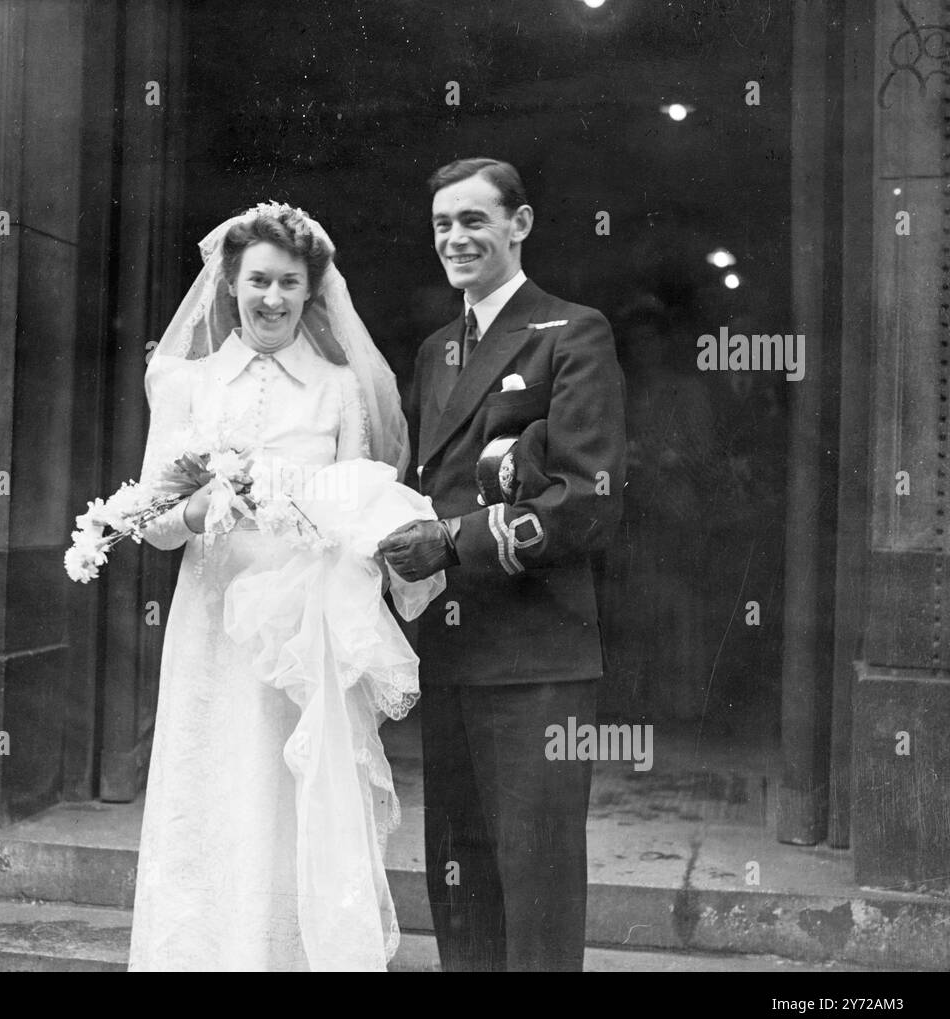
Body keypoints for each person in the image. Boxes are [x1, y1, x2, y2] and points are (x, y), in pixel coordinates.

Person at [128, 202, 424, 971]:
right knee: (212, 788)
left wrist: (295, 505)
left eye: (289, 283)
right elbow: (155, 524)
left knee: (292, 799)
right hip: (210, 626)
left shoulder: (337, 391)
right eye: (257, 279)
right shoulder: (183, 382)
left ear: (311, 289)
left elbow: (361, 513)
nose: (272, 298)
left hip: (301, 631)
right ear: (229, 282)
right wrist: (208, 498)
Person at [378, 158, 627, 971]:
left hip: (537, 660)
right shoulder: (435, 352)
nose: (456, 238)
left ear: (518, 226)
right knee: (462, 882)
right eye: (444, 224)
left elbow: (586, 502)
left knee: (537, 881)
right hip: (451, 654)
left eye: (475, 220)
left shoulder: (572, 331)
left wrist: (454, 544)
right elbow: (427, 485)